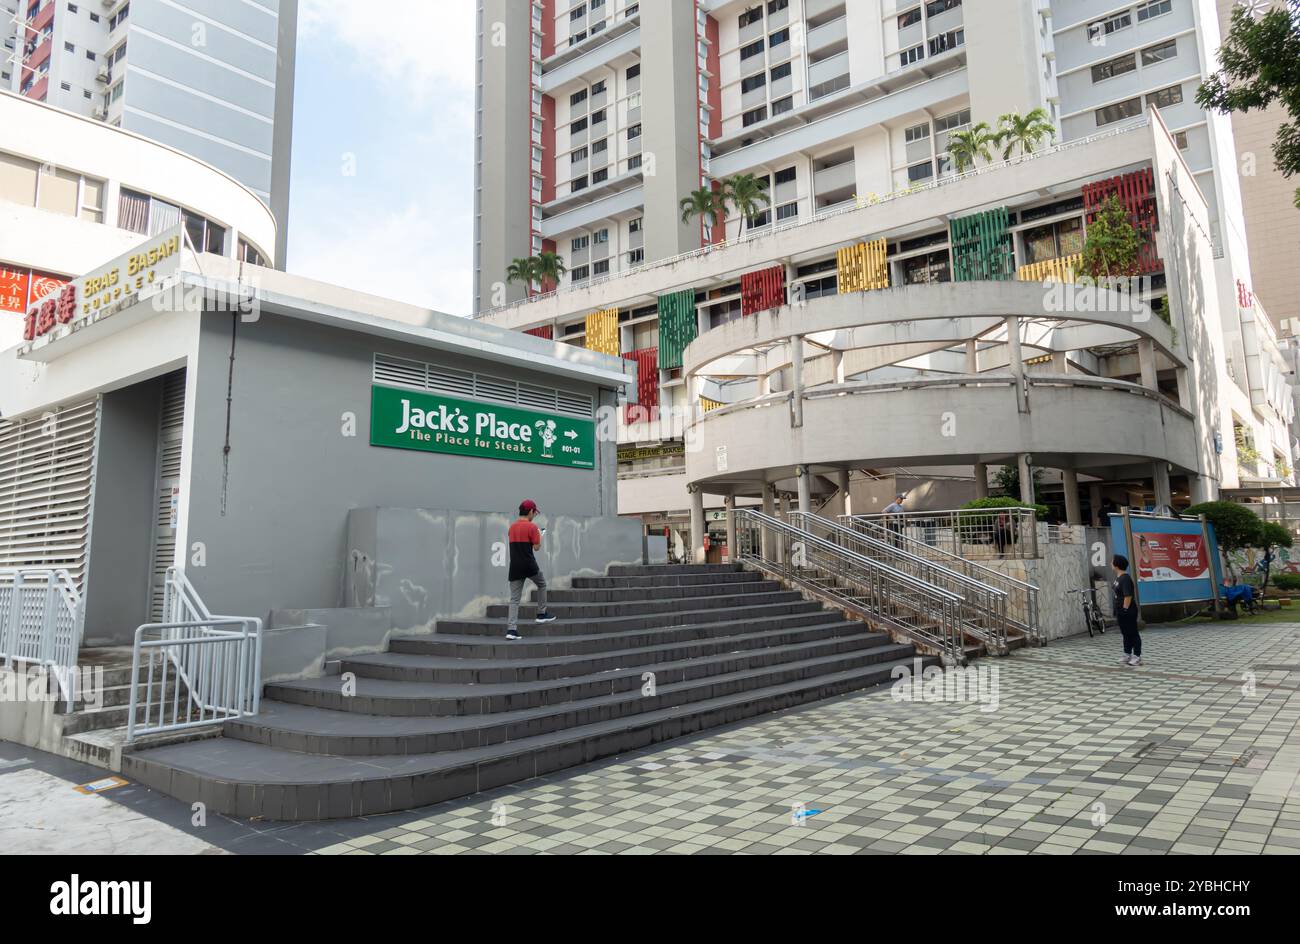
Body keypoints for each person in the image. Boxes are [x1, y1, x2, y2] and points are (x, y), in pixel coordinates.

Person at [505, 499, 556, 640]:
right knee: (542, 584)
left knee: (514, 599)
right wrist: (539, 536)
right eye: (534, 512)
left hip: (514, 566)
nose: (534, 515)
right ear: (530, 511)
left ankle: (511, 630)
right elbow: (536, 547)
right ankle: (541, 614)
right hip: (528, 564)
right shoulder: (532, 527)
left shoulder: (512, 527)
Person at [1112, 553, 1141, 666]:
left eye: (1112, 561)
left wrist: (1124, 609)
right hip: (1121, 611)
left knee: (1133, 633)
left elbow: (1128, 596)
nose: (1111, 563)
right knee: (1125, 633)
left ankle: (1137, 656)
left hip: (1128, 611)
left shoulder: (1125, 579)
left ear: (1117, 565)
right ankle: (1127, 654)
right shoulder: (1119, 578)